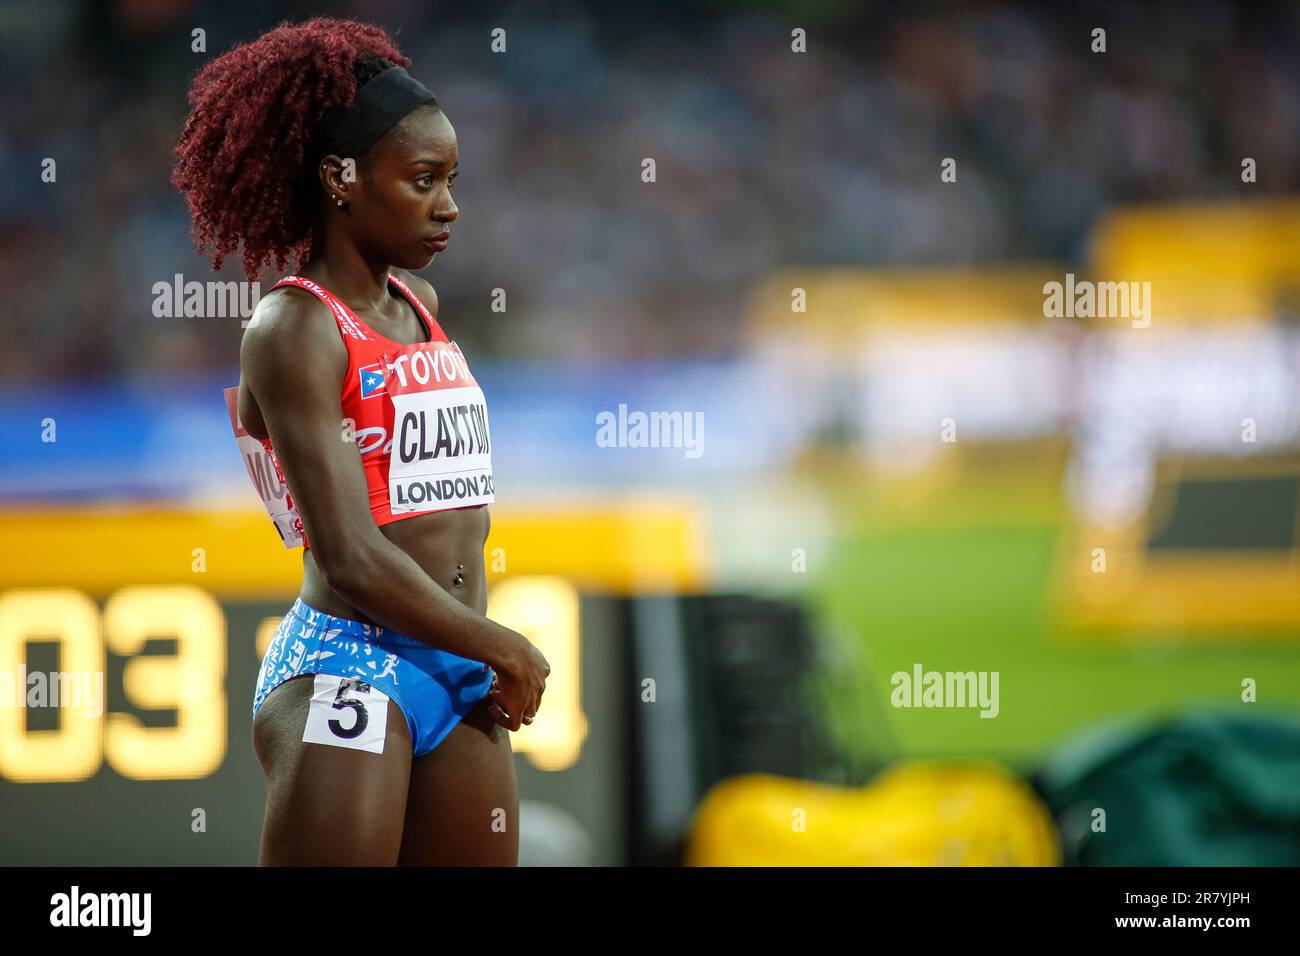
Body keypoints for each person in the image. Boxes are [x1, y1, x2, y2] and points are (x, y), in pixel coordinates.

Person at [172, 17, 549, 866]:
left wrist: (475, 645)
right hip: (352, 667)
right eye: (423, 180)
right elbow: (346, 553)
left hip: (453, 669)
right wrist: (502, 643)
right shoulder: (294, 327)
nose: (449, 206)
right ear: (340, 177)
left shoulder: (420, 307)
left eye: (453, 180)